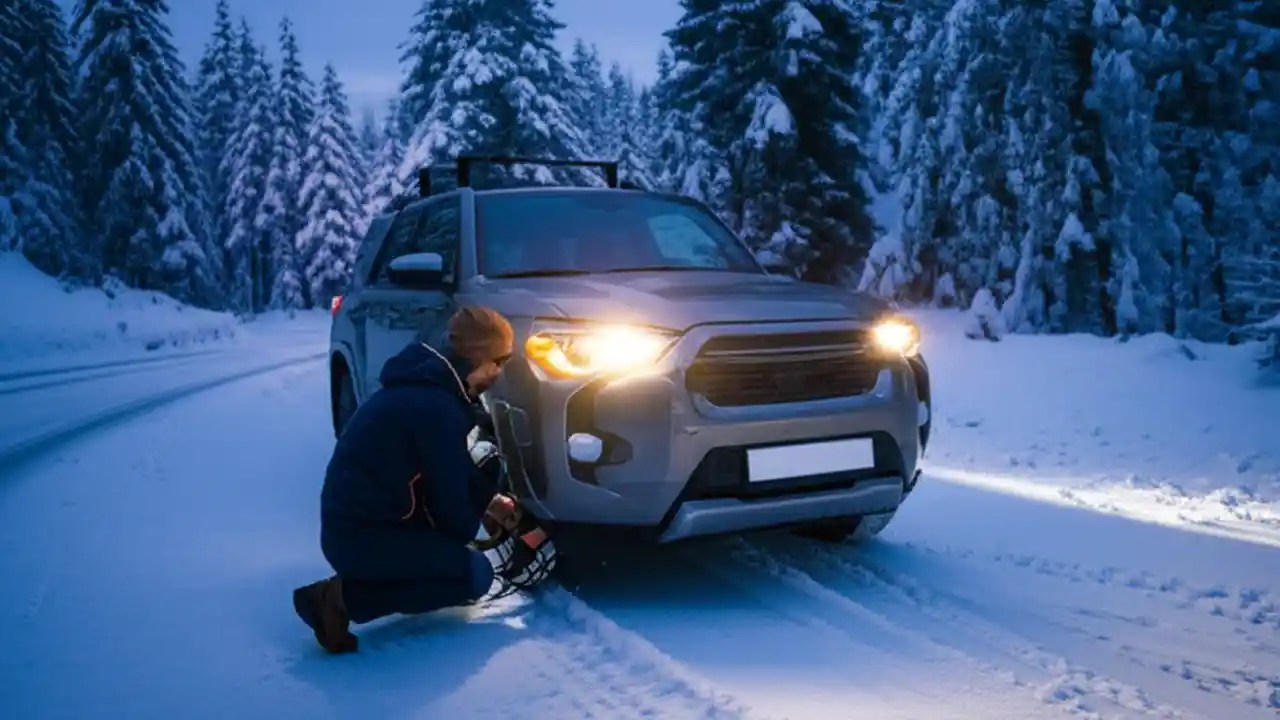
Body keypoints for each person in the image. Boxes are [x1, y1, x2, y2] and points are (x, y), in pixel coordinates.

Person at [292, 306, 519, 654]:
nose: (501, 371)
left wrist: (489, 502)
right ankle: (338, 600)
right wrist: (480, 508)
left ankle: (346, 590)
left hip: (357, 529)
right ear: (478, 358)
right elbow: (454, 520)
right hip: (362, 539)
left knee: (454, 558)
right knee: (474, 575)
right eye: (500, 360)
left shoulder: (427, 391)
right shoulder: (437, 410)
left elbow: (444, 468)